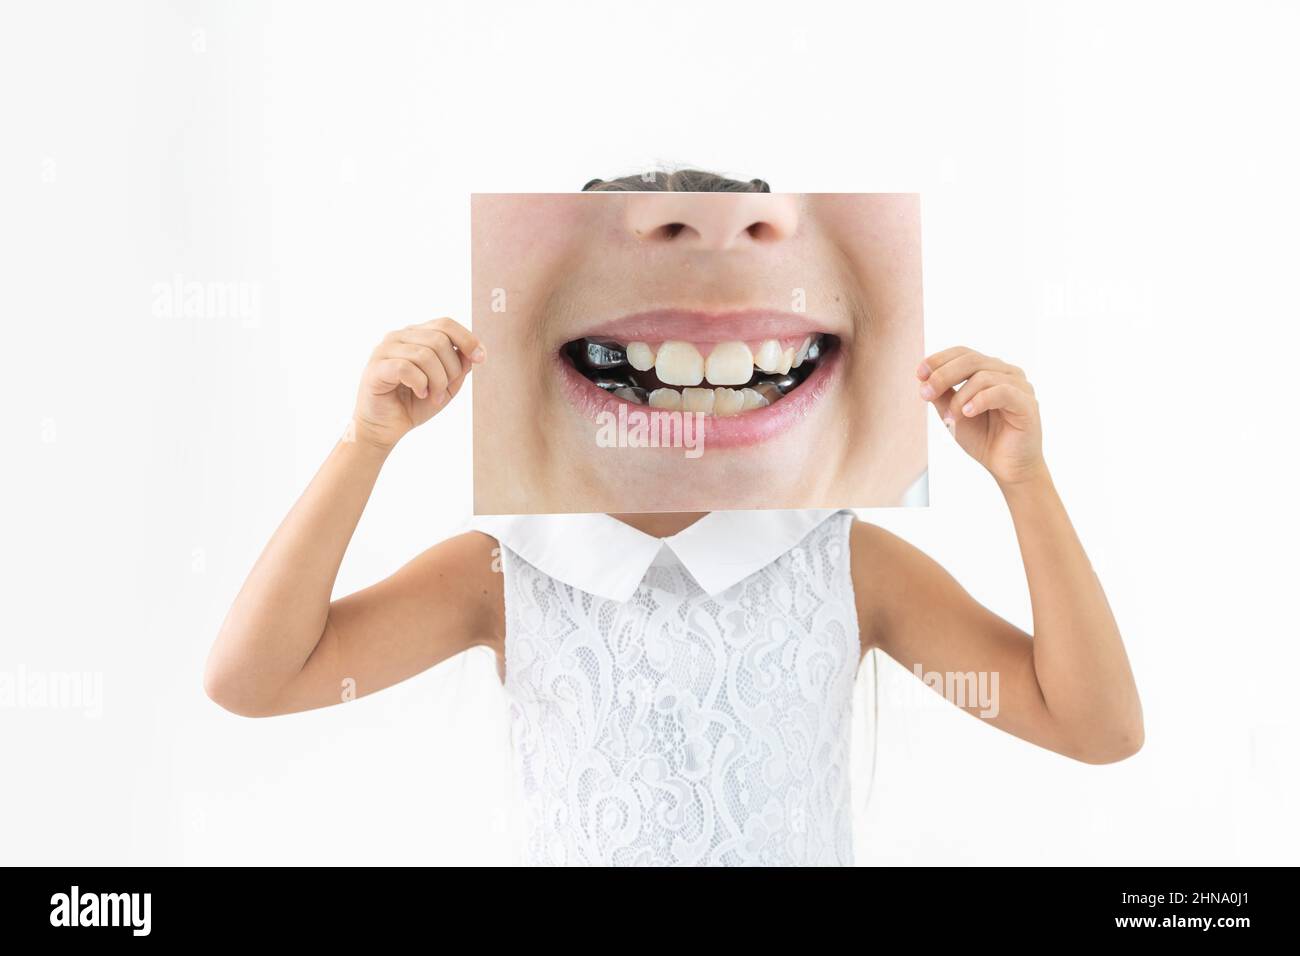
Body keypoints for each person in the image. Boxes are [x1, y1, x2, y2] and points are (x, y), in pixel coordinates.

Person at [203, 169, 1143, 866]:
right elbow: (254, 679)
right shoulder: (504, 573)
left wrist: (1027, 482)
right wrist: (365, 443)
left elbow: (1097, 728)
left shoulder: (847, 566)